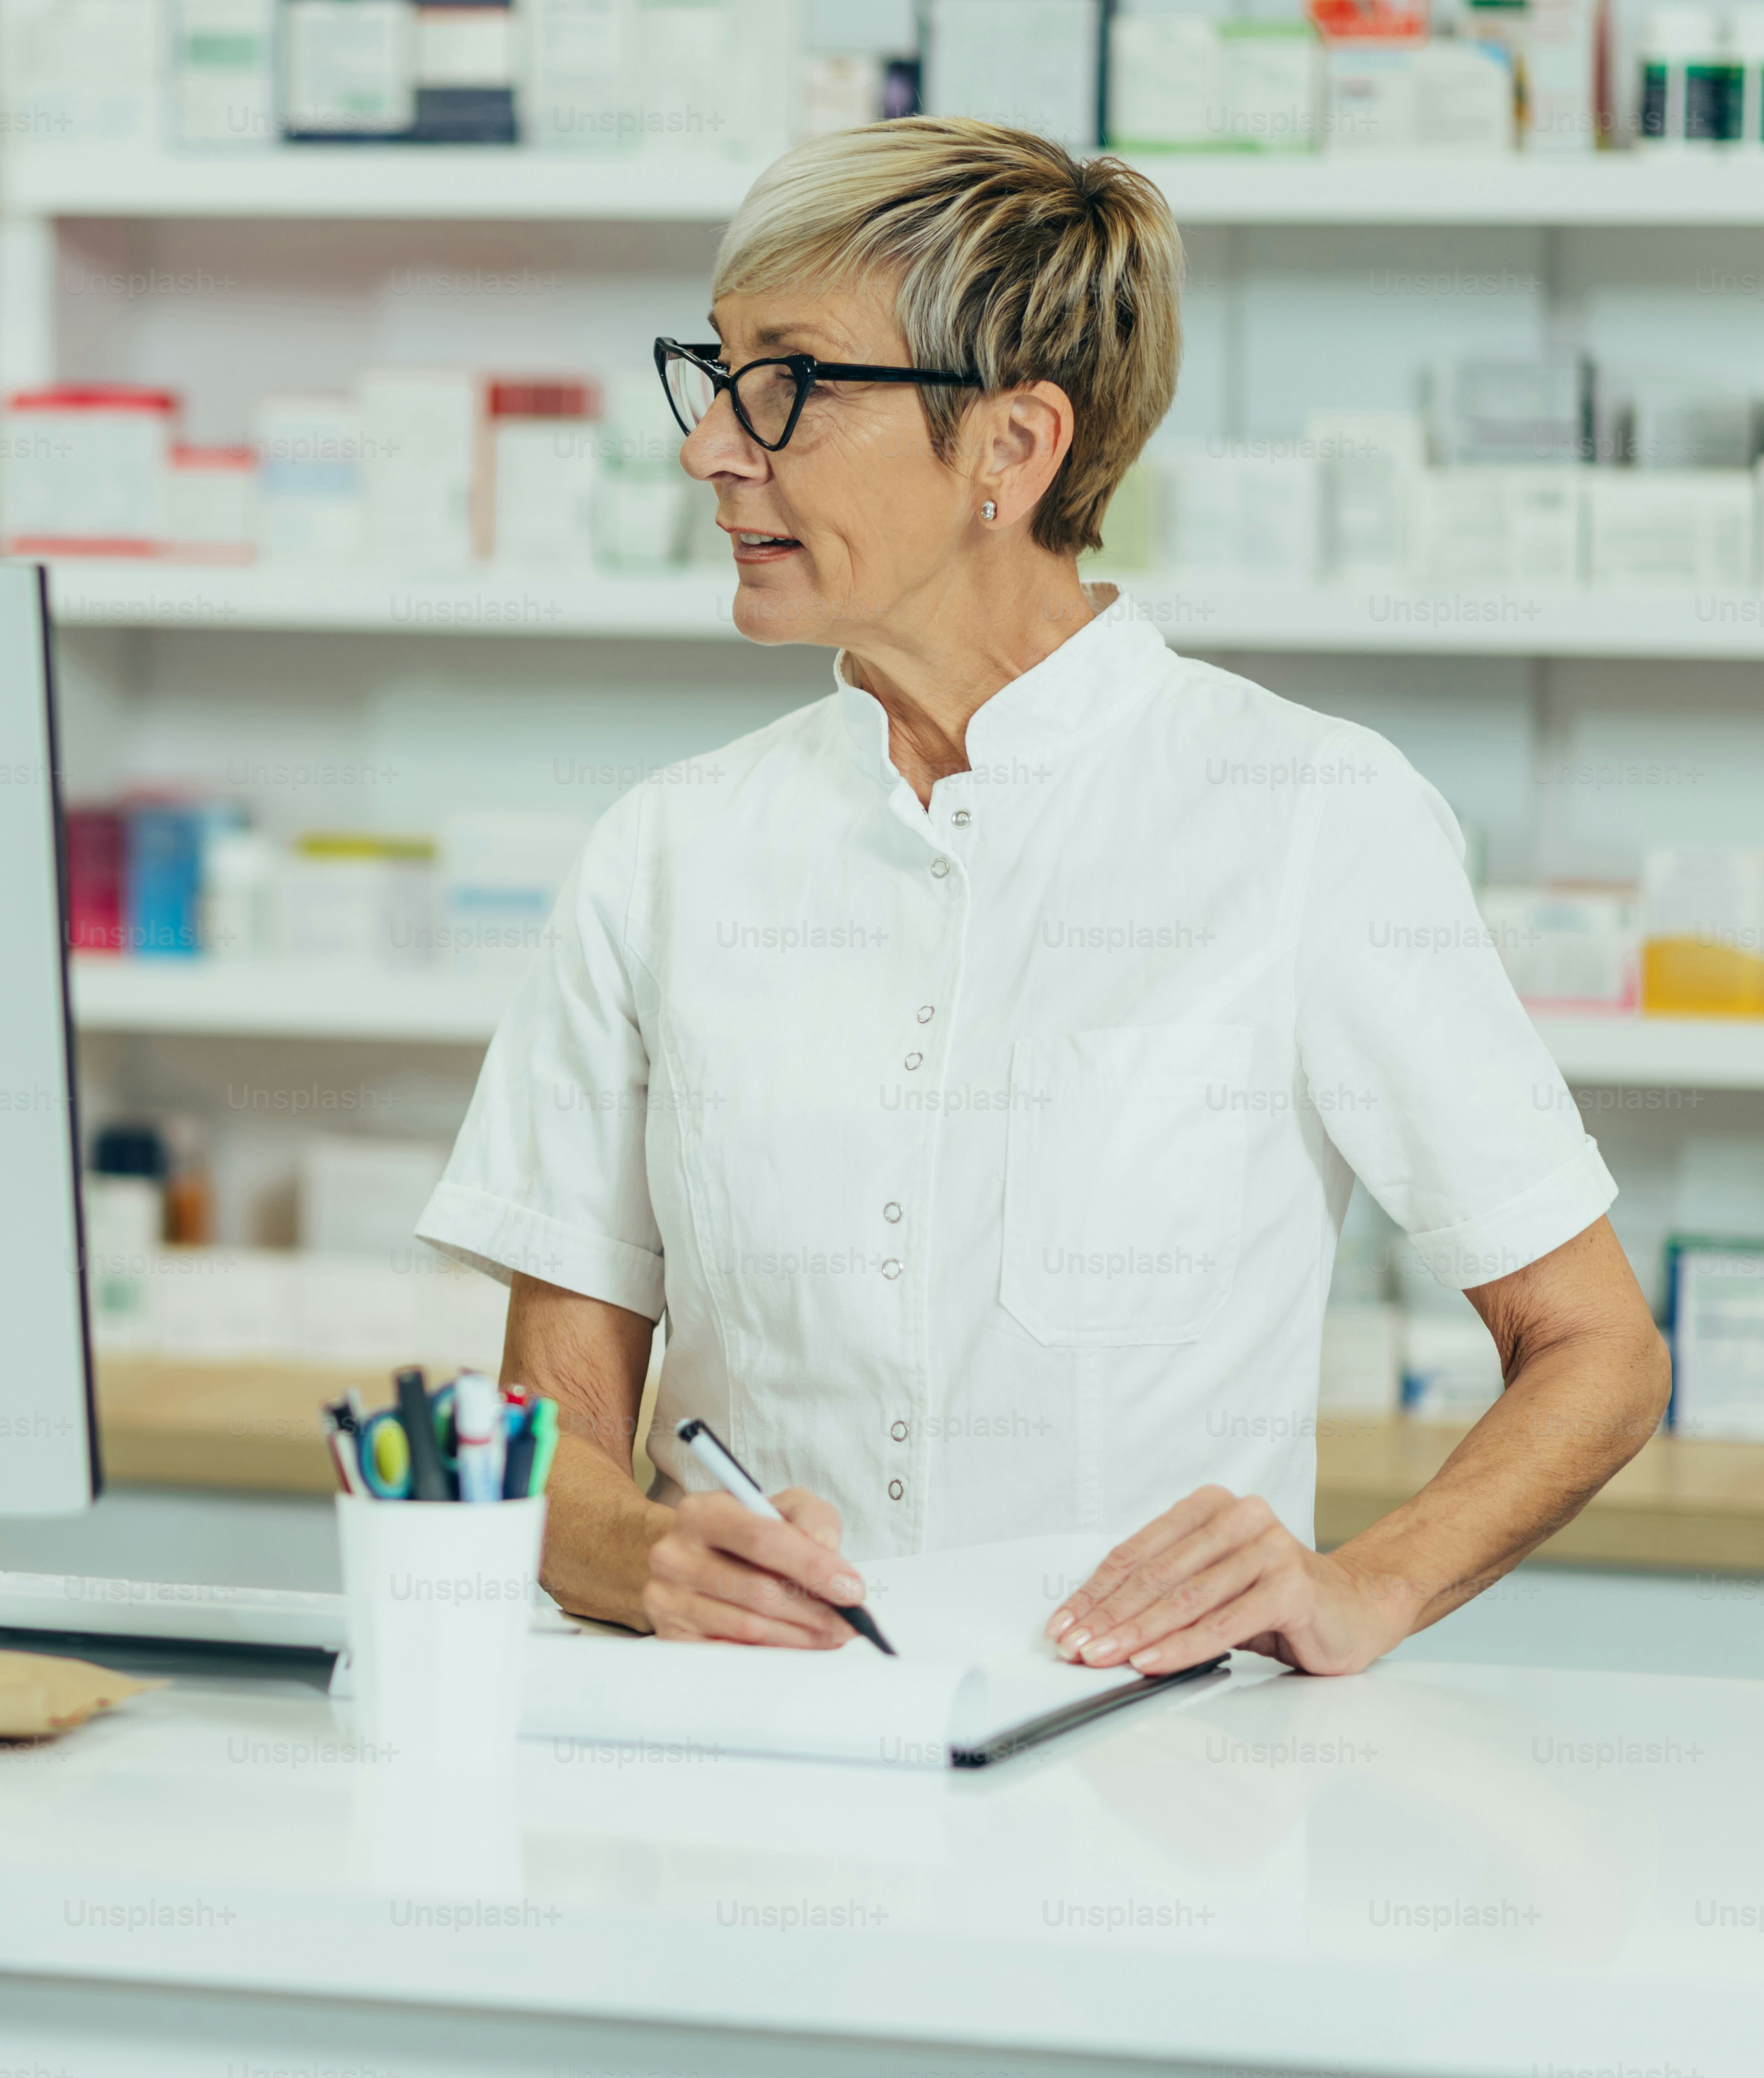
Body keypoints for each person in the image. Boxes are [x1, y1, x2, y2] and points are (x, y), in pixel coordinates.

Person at [414, 118, 1669, 1681]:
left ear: (1011, 449)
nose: (709, 449)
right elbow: (555, 1434)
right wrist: (647, 1559)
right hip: (744, 1773)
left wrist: (1365, 1589)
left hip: (1154, 1790)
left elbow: (1595, 1349)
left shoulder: (1305, 820)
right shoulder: (669, 851)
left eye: (785, 384)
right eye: (714, 374)